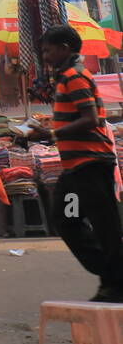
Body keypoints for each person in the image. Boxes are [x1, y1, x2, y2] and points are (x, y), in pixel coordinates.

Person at [27, 24, 123, 302]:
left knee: (104, 225)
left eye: (48, 50)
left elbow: (90, 119)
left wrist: (53, 133)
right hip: (76, 166)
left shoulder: (74, 76)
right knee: (66, 219)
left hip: (91, 163)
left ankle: (113, 283)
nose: (44, 56)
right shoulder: (66, 76)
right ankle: (112, 274)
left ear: (64, 49)